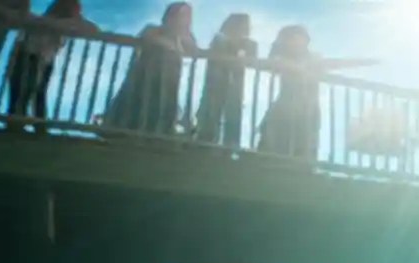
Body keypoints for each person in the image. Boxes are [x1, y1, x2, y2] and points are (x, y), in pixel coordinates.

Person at [102, 1, 198, 136]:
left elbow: (194, 49)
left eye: (188, 16)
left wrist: (182, 37)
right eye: (182, 15)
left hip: (167, 82)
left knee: (163, 108)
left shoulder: (184, 38)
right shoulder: (153, 29)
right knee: (136, 106)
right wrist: (172, 46)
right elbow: (147, 37)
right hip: (144, 77)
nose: (184, 19)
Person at [5, 0, 98, 125]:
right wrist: (76, 20)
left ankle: (33, 126)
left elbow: (94, 30)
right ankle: (22, 125)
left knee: (36, 94)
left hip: (43, 59)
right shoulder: (51, 22)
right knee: (24, 93)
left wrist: (77, 19)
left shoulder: (54, 22)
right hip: (28, 56)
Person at [256, 25, 321, 160]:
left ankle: (302, 166)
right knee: (277, 135)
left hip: (307, 108)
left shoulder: (313, 57)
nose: (295, 42)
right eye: (290, 39)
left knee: (304, 141)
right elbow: (272, 63)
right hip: (287, 105)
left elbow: (324, 67)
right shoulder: (282, 56)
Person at [193, 13, 256, 147]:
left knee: (233, 115)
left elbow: (252, 59)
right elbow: (217, 53)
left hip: (235, 86)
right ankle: (205, 143)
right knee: (210, 111)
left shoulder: (249, 44)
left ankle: (230, 147)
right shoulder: (219, 39)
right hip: (215, 83)